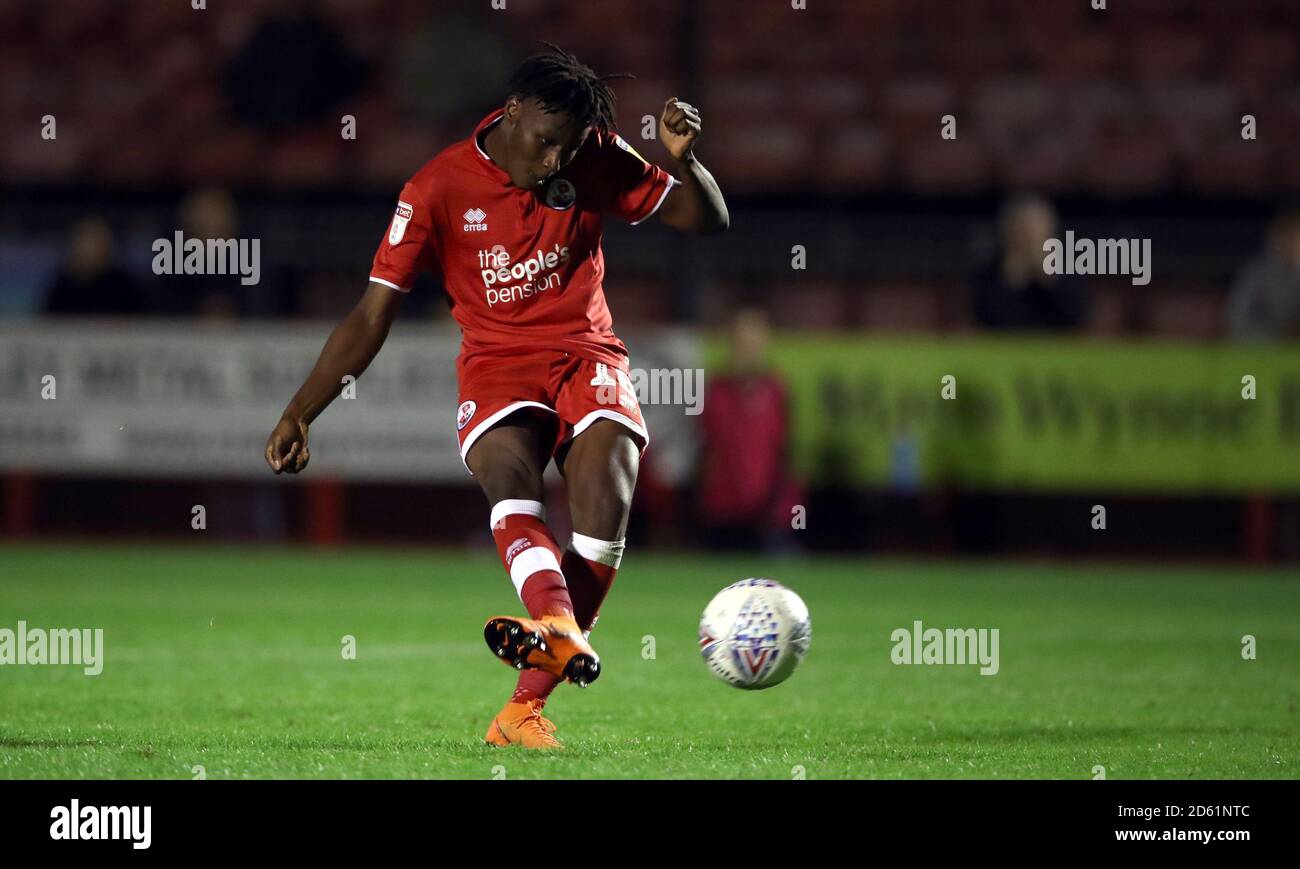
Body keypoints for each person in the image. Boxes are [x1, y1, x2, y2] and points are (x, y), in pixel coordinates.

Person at [264, 44, 728, 749]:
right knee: (510, 480)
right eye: (545, 142)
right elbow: (372, 313)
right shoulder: (436, 188)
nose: (554, 161)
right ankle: (557, 631)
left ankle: (522, 707)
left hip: (586, 352)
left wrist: (684, 160)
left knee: (609, 493)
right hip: (496, 365)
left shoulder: (594, 155)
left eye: (567, 149)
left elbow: (707, 219)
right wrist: (301, 411)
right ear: (511, 112)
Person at [697, 308, 801, 552]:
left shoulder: (776, 390)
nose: (747, 347)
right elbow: (705, 447)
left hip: (768, 513)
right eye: (741, 340)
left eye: (753, 339)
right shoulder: (714, 391)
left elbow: (784, 449)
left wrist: (781, 500)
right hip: (722, 509)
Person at [972, 193, 1089, 331]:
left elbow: (1075, 317)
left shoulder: (1069, 269)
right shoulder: (990, 270)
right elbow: (986, 318)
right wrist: (1012, 280)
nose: (1029, 237)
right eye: (1022, 230)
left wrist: (1048, 278)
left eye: (1035, 229)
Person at [1226, 209, 1300, 340]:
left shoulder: (1296, 273)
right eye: (1292, 238)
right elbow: (1237, 314)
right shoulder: (1258, 272)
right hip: (1260, 338)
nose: (1294, 243)